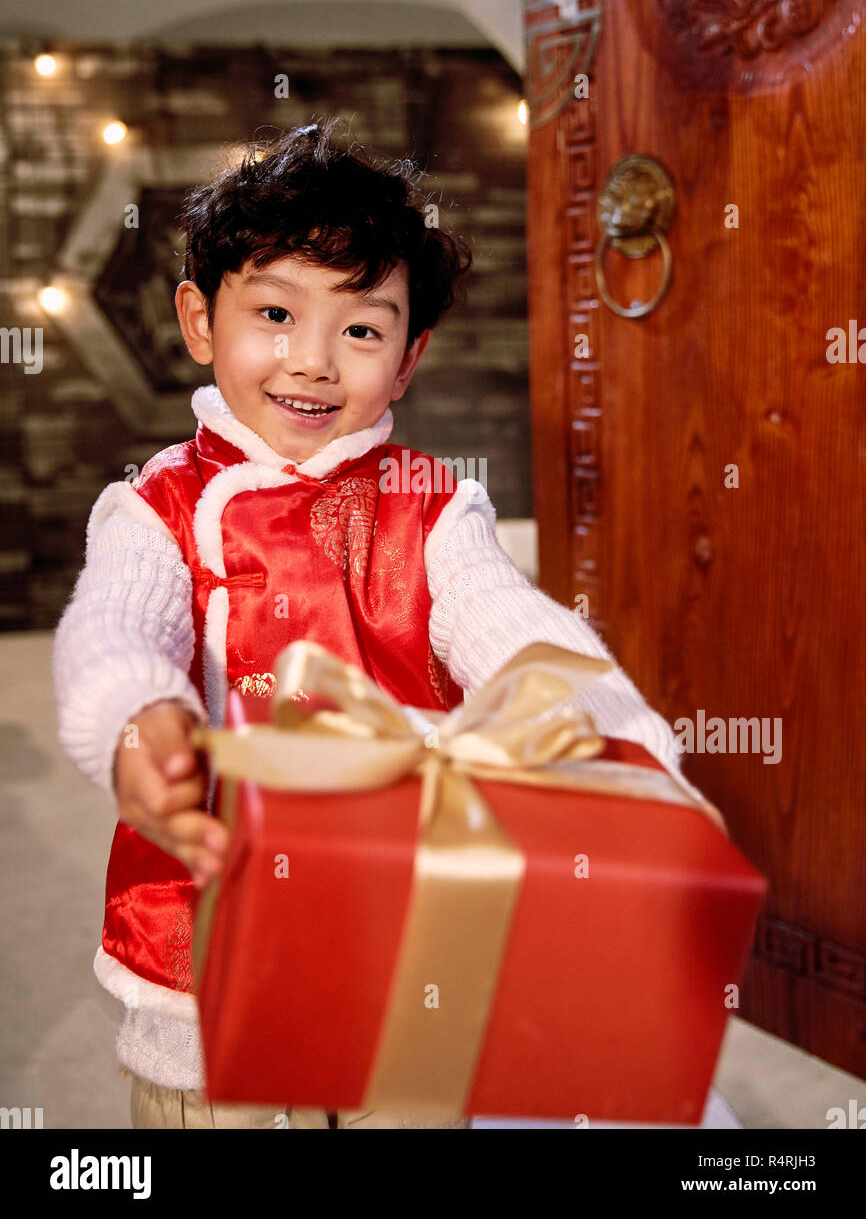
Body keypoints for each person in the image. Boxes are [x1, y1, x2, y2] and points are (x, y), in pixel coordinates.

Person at [53, 118, 704, 1130]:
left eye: (360, 328)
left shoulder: (433, 505)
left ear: (407, 358)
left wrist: (609, 735)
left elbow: (506, 621)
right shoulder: (155, 508)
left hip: (404, 942)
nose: (311, 361)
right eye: (273, 312)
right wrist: (138, 720)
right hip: (205, 961)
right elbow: (115, 632)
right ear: (197, 319)